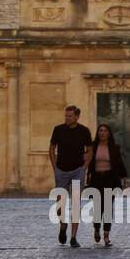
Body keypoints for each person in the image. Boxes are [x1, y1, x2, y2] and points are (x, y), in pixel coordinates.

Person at [49, 105, 93, 248]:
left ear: (77, 117)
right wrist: (55, 167)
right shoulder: (58, 130)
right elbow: (51, 149)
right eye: (66, 116)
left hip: (77, 171)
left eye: (69, 116)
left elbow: (90, 151)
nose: (67, 118)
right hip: (61, 170)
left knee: (75, 204)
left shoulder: (84, 131)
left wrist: (84, 167)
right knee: (60, 203)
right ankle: (63, 225)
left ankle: (73, 237)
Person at [86, 122, 130, 247]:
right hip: (96, 180)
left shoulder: (114, 147)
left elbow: (119, 163)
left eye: (105, 131)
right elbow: (88, 162)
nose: (102, 133)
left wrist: (125, 177)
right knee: (98, 207)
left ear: (109, 134)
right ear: (98, 133)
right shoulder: (93, 146)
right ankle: (96, 228)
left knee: (108, 208)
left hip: (110, 179)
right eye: (100, 131)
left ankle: (106, 235)